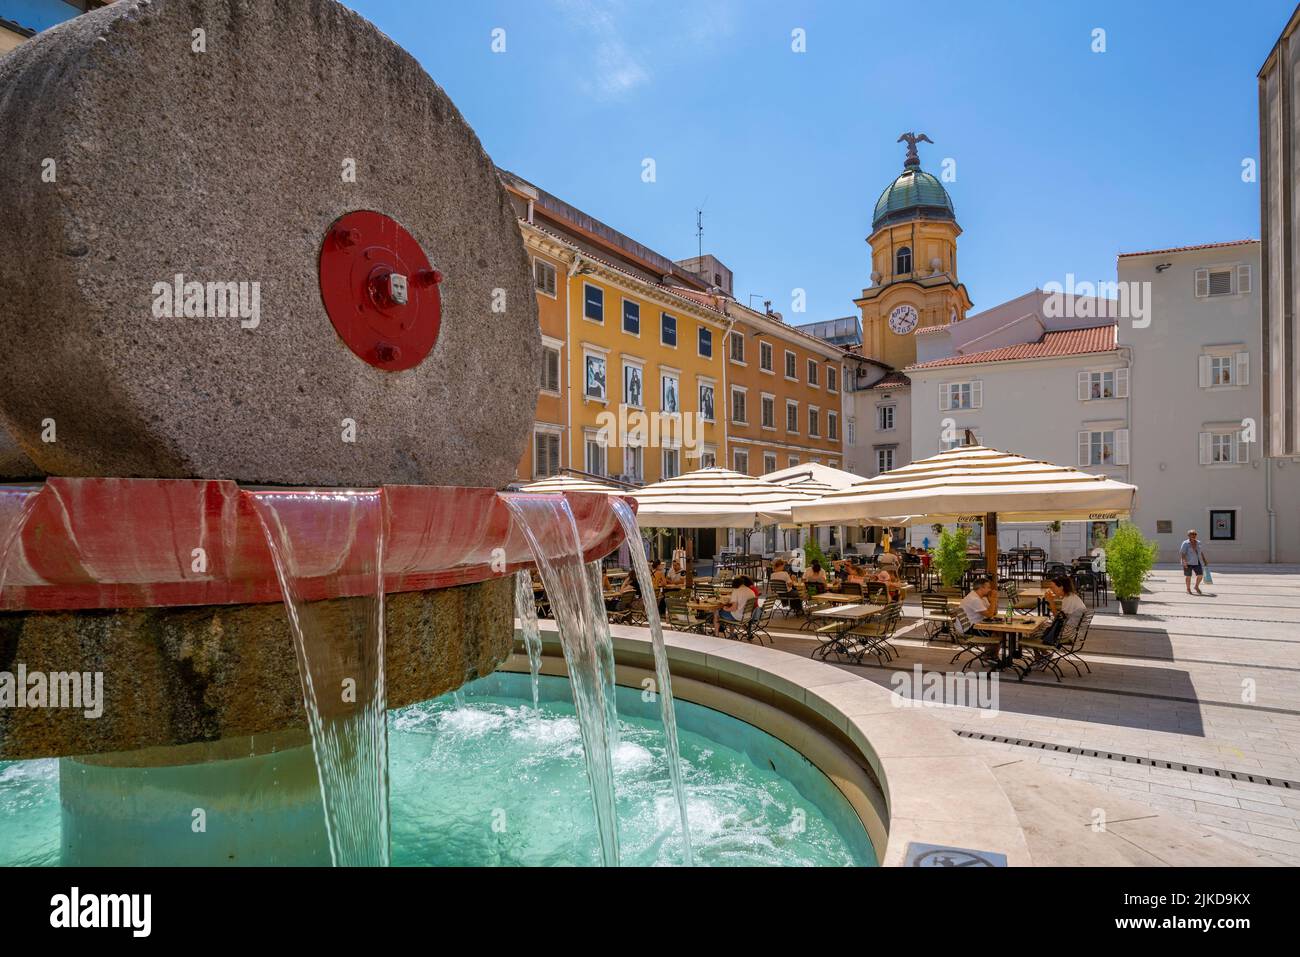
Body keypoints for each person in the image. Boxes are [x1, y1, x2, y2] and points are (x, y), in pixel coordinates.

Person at [1180, 530, 1207, 596]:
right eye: (1192, 534)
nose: (1194, 535)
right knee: (1188, 576)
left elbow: (1201, 552)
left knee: (1200, 575)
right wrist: (1184, 562)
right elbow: (1182, 553)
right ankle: (1188, 589)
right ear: (1188, 535)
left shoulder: (1198, 542)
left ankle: (1196, 586)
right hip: (1188, 562)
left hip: (1196, 561)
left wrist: (1204, 560)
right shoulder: (1185, 543)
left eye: (1195, 534)